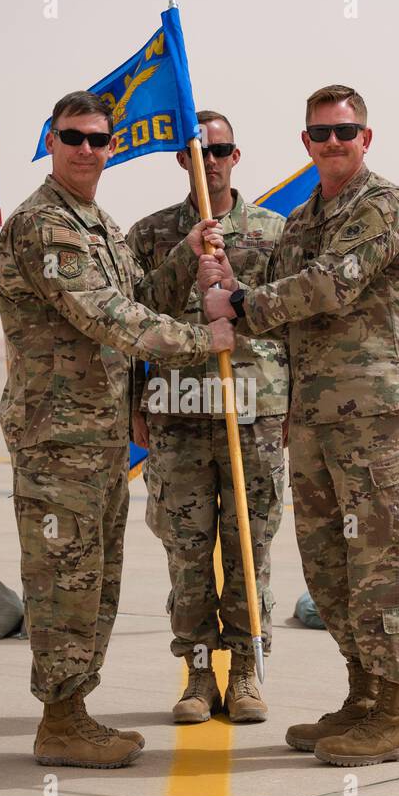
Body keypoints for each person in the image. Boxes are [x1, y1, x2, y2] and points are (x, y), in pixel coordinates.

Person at [0, 91, 234, 769]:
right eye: (73, 137)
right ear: (52, 139)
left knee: (96, 579)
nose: (87, 150)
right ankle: (60, 720)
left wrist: (188, 255)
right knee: (63, 581)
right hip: (57, 439)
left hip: (98, 437)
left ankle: (75, 713)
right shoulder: (45, 225)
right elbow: (106, 316)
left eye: (100, 139)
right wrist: (201, 338)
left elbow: (138, 296)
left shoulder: (96, 223)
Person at [198, 85, 399, 767]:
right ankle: (362, 698)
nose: (334, 142)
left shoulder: (385, 205)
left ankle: (398, 713)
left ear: (367, 138)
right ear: (305, 143)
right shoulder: (300, 222)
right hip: (315, 422)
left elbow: (329, 285)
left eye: (346, 131)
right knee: (331, 570)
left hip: (376, 422)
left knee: (381, 569)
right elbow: (270, 290)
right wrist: (214, 259)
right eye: (321, 133)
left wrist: (238, 302)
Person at [125, 111, 288, 724]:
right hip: (177, 414)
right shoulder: (150, 235)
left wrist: (292, 403)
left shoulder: (275, 232)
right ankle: (197, 674)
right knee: (186, 549)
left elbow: (295, 325)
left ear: (236, 156)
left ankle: (246, 671)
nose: (210, 160)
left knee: (250, 547)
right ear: (182, 159)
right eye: (200, 151)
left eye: (220, 149)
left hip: (254, 413)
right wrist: (133, 405)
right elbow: (128, 320)